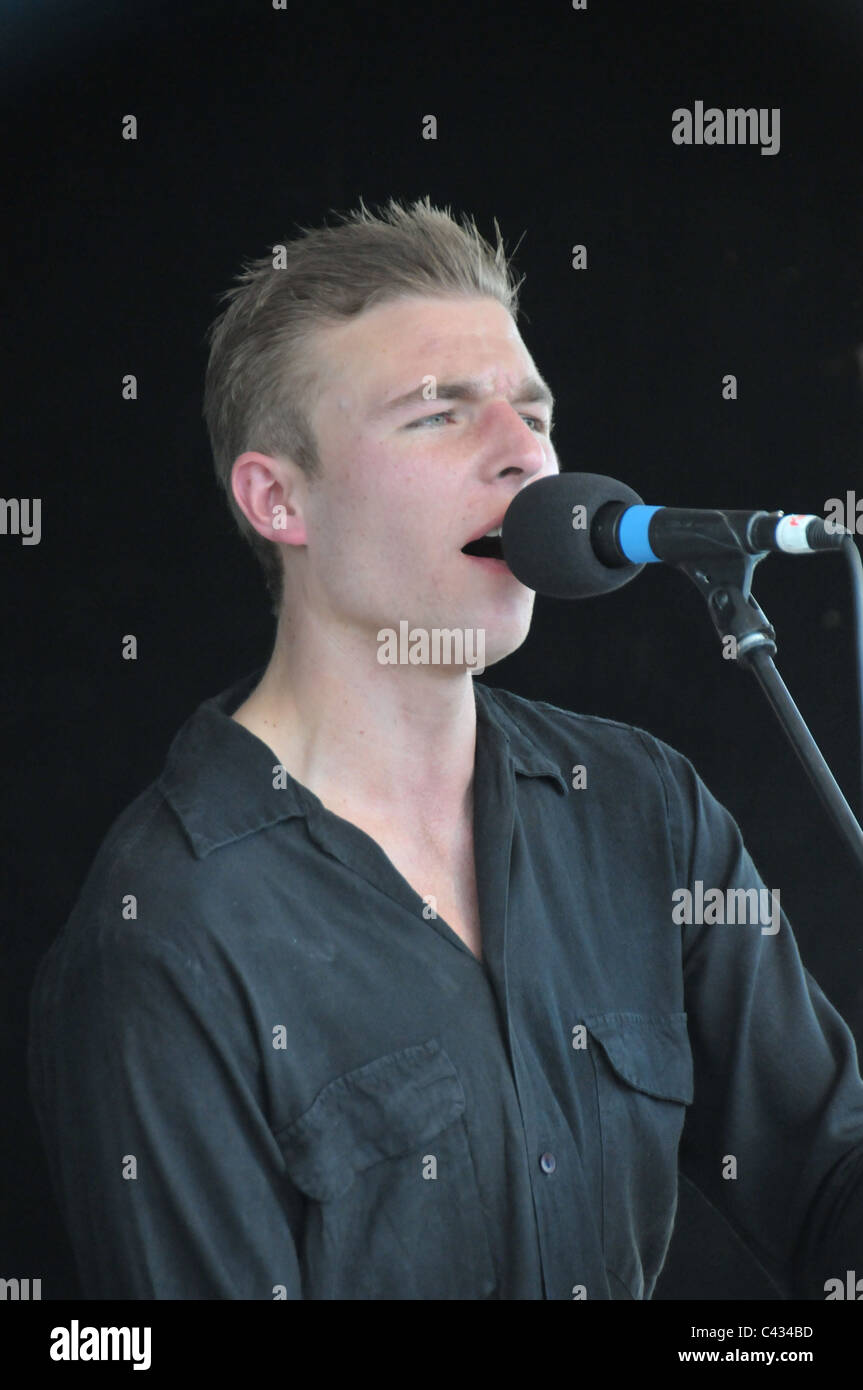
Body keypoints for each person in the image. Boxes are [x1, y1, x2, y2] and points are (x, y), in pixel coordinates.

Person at [28, 196, 863, 1300]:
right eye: (437, 414)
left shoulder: (641, 807)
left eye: (533, 411)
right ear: (278, 498)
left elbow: (827, 1180)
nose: (527, 457)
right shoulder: (167, 937)